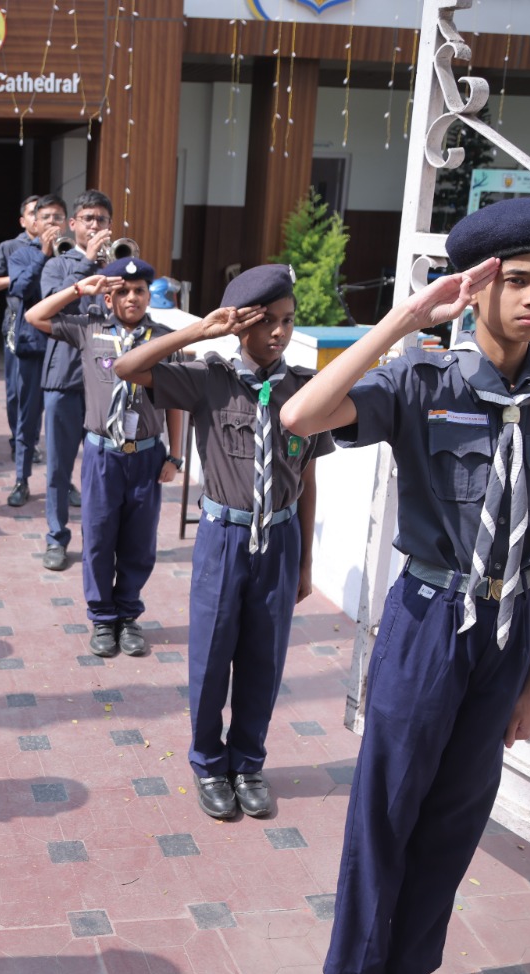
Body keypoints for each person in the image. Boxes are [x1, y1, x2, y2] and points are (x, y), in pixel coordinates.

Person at [280, 198, 530, 974]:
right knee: (389, 807)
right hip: (427, 622)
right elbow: (299, 417)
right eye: (521, 280)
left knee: (457, 814)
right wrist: (406, 317)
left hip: (503, 632)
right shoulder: (421, 381)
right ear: (483, 287)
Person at [111, 264, 332, 822]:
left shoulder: (304, 390)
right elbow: (126, 366)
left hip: (278, 538)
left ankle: (248, 761)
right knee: (211, 656)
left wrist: (305, 562)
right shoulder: (209, 378)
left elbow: (306, 478)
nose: (279, 332)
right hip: (223, 537)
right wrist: (196, 333)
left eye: (287, 320)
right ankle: (209, 763)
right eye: (266, 322)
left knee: (265, 658)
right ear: (240, 326)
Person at [26, 256, 185, 656]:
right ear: (110, 297)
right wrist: (81, 289)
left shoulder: (163, 338)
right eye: (123, 291)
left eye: (140, 291)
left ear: (150, 295)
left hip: (147, 456)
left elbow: (176, 404)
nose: (132, 298)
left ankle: (128, 615)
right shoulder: (88, 330)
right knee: (98, 538)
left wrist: (176, 457)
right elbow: (34, 316)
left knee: (139, 540)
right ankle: (102, 618)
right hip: (102, 454)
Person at [37, 189, 115, 570]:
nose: (95, 226)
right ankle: (56, 538)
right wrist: (86, 263)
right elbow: (52, 305)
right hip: (63, 379)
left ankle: (97, 541)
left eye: (102, 219)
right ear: (74, 224)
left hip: (105, 384)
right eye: (89, 219)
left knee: (101, 469)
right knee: (58, 468)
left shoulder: (117, 265)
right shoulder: (57, 264)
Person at [2, 194, 68, 506]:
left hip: (66, 347)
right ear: (35, 223)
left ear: (66, 222)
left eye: (58, 218)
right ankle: (21, 480)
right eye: (46, 218)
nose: (52, 223)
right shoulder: (20, 253)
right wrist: (43, 253)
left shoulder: (74, 254)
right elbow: (20, 289)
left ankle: (65, 481)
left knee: (65, 421)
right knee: (28, 419)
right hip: (32, 346)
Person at [0, 195, 39, 467]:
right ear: (23, 219)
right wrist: (22, 276)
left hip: (50, 326)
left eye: (45, 213)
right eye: (33, 213)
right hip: (17, 324)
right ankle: (17, 440)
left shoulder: (62, 248)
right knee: (16, 390)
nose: (39, 218)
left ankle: (33, 442)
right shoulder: (9, 247)